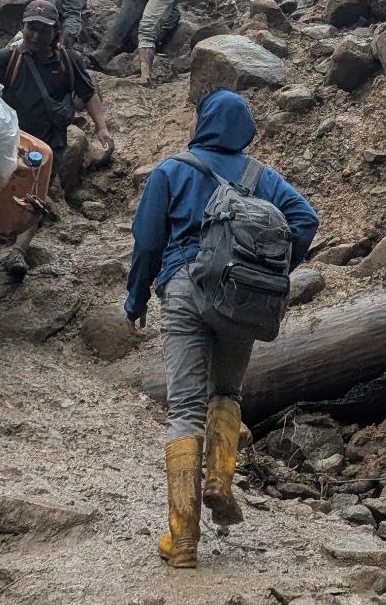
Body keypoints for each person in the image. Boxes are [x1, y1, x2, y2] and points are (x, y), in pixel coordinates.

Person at [127, 89, 320, 569]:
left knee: (185, 407)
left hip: (184, 290)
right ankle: (220, 479)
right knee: (228, 393)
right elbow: (305, 219)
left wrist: (135, 300)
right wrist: (273, 272)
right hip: (241, 297)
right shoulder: (263, 178)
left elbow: (147, 242)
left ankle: (183, 539)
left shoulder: (172, 170)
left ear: (203, 122)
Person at [0, 0, 112, 277]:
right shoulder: (7, 58)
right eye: (32, 29)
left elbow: (88, 94)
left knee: (37, 195)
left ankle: (18, 251)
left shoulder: (68, 60)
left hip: (50, 141)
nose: (37, 36)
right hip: (9, 138)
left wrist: (102, 127)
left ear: (57, 31)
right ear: (23, 27)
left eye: (44, 30)